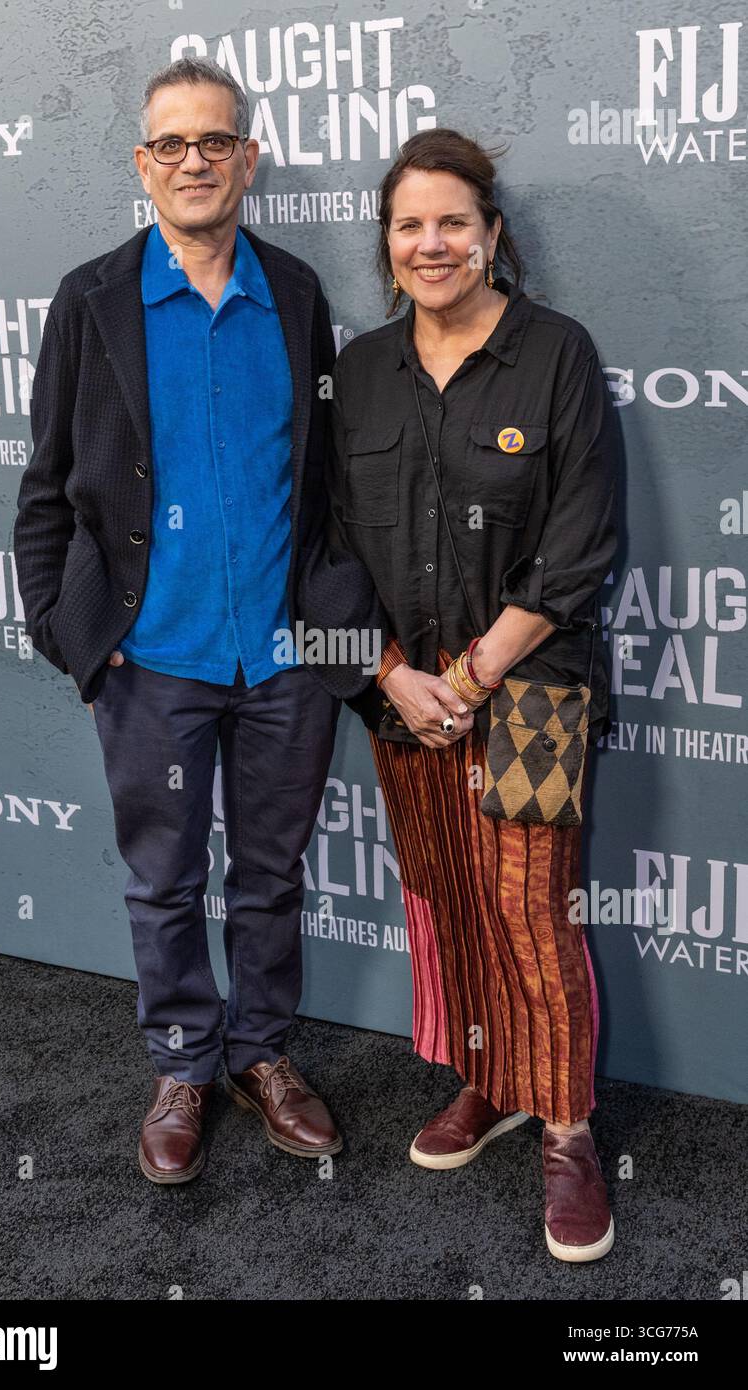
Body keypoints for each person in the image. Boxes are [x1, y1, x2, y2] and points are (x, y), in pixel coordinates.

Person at [12, 56, 384, 1185]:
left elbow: (322, 491)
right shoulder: (91, 299)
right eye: (169, 144)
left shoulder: (299, 295)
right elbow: (46, 485)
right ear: (142, 163)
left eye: (212, 142)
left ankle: (260, 1053)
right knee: (163, 879)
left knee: (271, 874)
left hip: (282, 661)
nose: (192, 161)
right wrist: (68, 633)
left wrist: (335, 642)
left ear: (246, 159)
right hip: (149, 659)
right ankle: (182, 1056)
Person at [327, 128, 620, 1261]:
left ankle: (566, 1130)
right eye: (408, 225)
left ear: (492, 235)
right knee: (448, 897)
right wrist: (389, 675)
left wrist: (471, 674)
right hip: (400, 695)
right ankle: (489, 1080)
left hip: (530, 689)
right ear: (387, 245)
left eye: (453, 220)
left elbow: (580, 542)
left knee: (527, 912)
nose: (430, 242)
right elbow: (333, 540)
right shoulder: (356, 373)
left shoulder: (554, 352)